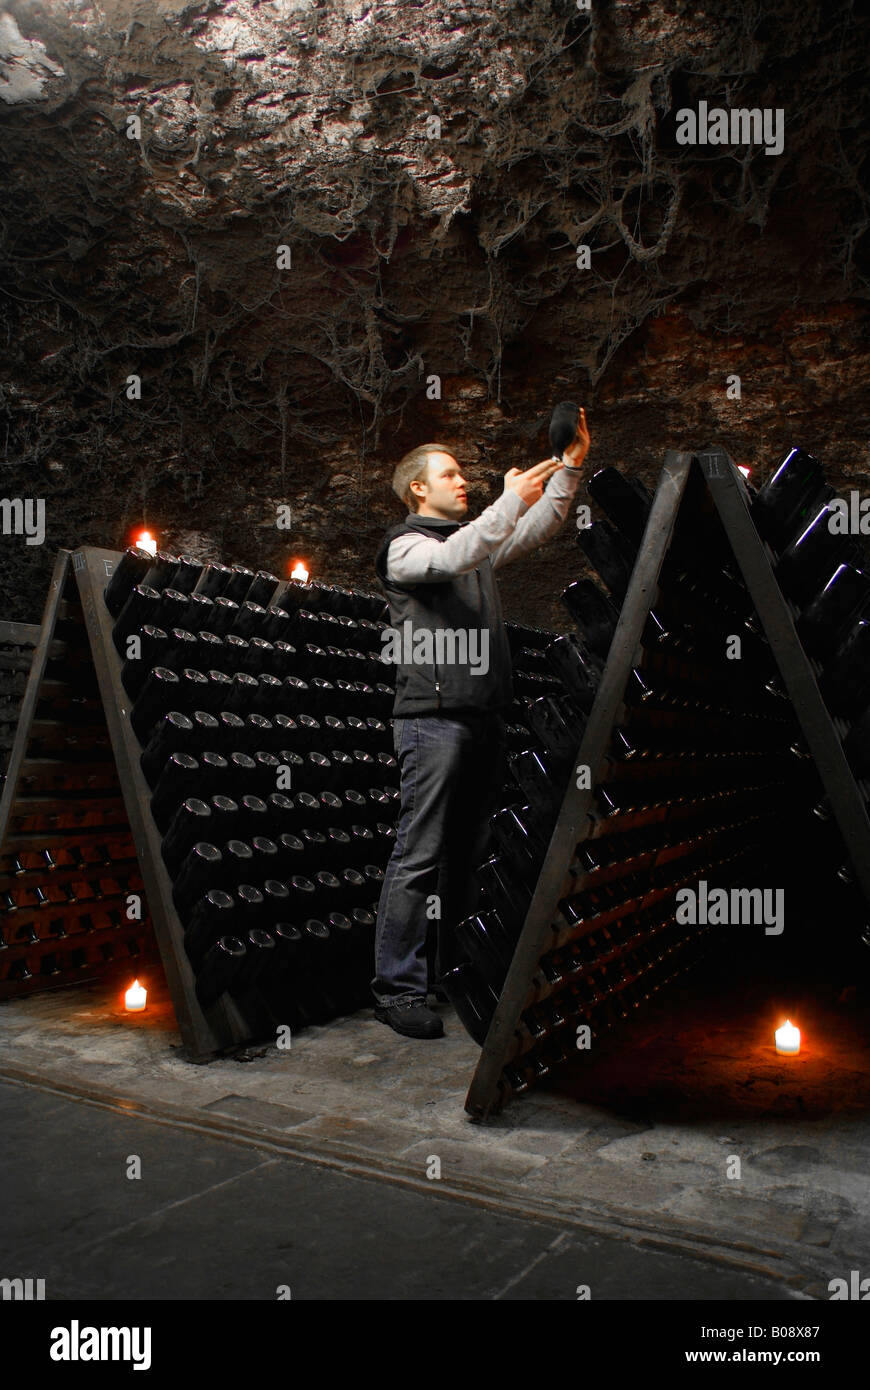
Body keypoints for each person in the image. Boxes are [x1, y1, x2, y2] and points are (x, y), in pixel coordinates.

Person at [371, 410, 591, 1038]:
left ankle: (456, 975)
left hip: (484, 719)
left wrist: (569, 467)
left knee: (468, 858)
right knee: (419, 855)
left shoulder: (476, 552)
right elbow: (460, 551)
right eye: (450, 474)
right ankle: (397, 989)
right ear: (419, 488)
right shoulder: (405, 548)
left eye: (464, 475)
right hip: (431, 722)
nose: (462, 482)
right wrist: (506, 501)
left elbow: (540, 526)